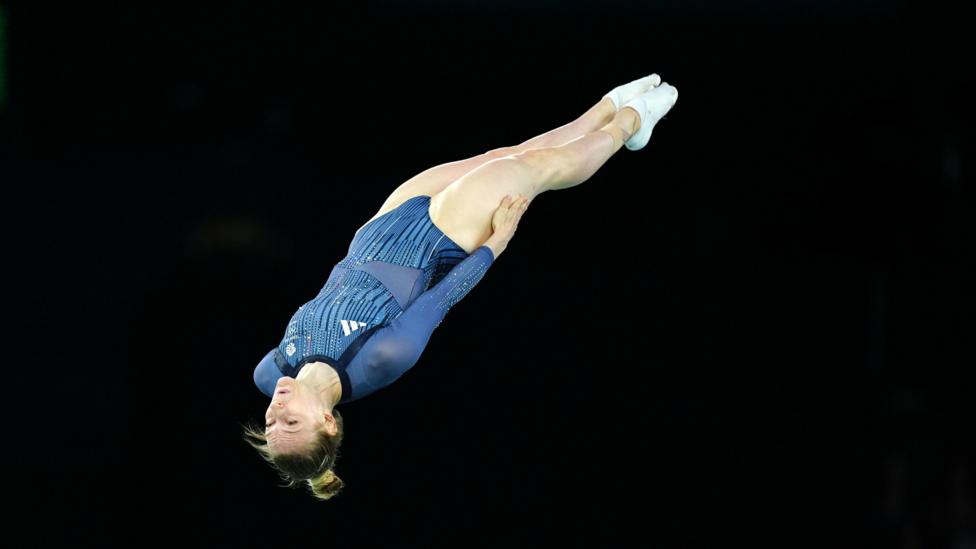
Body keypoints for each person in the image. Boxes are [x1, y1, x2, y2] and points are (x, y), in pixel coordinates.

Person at [242, 73, 679, 500]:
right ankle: (631, 123)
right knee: (534, 169)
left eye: (271, 425)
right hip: (440, 237)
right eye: (292, 425)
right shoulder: (378, 361)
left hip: (377, 232)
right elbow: (440, 298)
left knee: (504, 155)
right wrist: (495, 245)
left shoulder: (271, 372)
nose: (276, 414)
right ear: (328, 421)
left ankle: (606, 106)